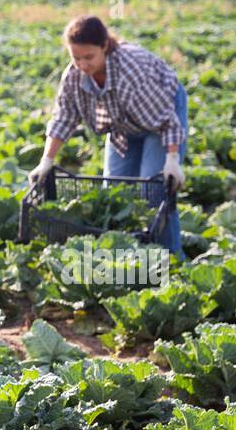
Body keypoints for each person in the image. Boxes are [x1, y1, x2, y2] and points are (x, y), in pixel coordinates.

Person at [29, 14, 189, 257]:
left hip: (160, 117)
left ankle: (171, 260)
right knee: (114, 195)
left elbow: (166, 121)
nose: (82, 64)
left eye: (89, 57)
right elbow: (63, 117)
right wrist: (46, 161)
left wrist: (172, 161)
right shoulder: (74, 76)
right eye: (76, 57)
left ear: (104, 46)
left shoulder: (132, 71)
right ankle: (126, 260)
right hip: (122, 125)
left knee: (155, 192)